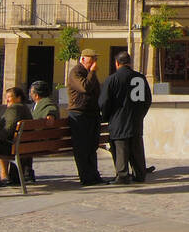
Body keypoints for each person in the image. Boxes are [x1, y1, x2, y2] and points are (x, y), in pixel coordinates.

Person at [99, 53, 152, 184]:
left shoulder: (112, 79)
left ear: (117, 63)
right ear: (130, 63)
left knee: (121, 147)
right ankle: (140, 174)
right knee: (136, 147)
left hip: (118, 120)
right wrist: (140, 114)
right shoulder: (140, 78)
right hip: (136, 119)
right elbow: (148, 99)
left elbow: (104, 102)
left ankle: (122, 175)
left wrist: (106, 116)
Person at [65, 48, 109, 186]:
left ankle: (94, 174)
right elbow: (85, 87)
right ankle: (86, 176)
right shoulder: (76, 72)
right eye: (92, 58)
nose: (94, 61)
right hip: (79, 114)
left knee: (92, 146)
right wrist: (92, 72)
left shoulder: (90, 73)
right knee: (82, 147)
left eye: (95, 58)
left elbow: (96, 91)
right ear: (83, 59)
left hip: (91, 114)